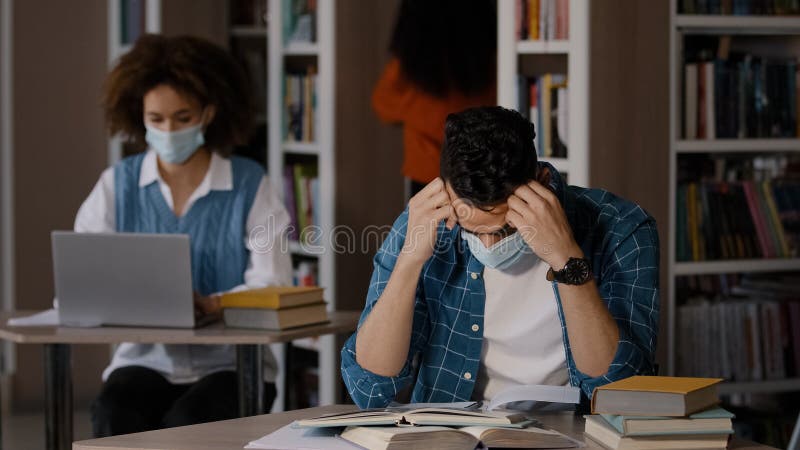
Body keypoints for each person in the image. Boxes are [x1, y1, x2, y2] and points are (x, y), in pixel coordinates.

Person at [341, 106, 660, 409]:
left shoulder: (623, 228)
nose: (489, 243)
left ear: (542, 183)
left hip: (568, 435)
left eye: (506, 228)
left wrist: (566, 258)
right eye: (472, 229)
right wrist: (410, 262)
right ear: (444, 190)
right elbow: (369, 388)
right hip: (452, 434)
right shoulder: (427, 222)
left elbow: (619, 390)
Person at [77, 34, 292, 436]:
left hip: (231, 365)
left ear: (208, 114)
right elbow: (84, 274)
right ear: (138, 114)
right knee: (113, 412)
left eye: (182, 117)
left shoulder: (250, 185)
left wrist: (213, 305)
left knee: (190, 425)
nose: (168, 130)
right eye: (155, 119)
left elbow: (273, 281)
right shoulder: (115, 186)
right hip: (145, 361)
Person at [372, 0, 497, 197]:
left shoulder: (410, 66)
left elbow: (383, 105)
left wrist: (416, 109)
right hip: (479, 169)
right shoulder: (489, 59)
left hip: (426, 171)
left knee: (422, 226)